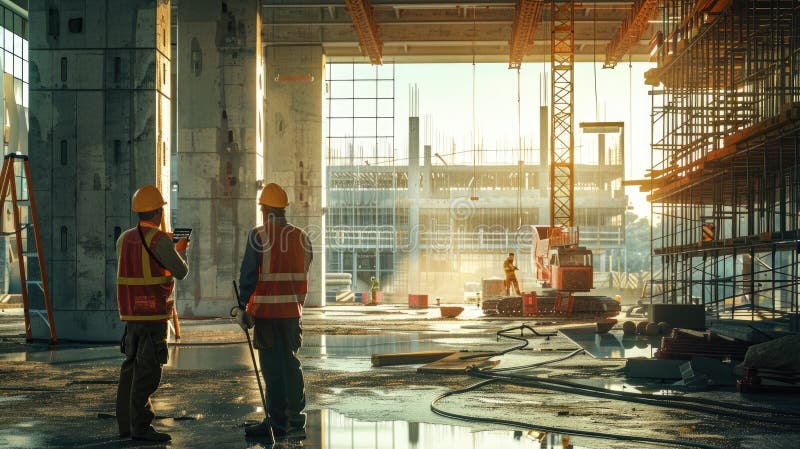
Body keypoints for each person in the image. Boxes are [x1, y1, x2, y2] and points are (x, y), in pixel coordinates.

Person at [235, 183, 313, 441]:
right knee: (291, 365)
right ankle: (296, 422)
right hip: (292, 314)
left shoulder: (258, 236)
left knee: (272, 370)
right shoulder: (302, 237)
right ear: (283, 209)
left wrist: (242, 308)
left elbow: (247, 277)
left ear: (265, 208)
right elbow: (305, 267)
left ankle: (277, 423)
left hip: (267, 315)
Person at [116, 185, 189, 442]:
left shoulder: (124, 238)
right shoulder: (159, 240)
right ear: (158, 211)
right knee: (148, 372)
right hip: (152, 315)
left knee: (130, 368)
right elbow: (180, 271)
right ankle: (141, 427)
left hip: (131, 314)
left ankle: (126, 425)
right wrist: (178, 250)